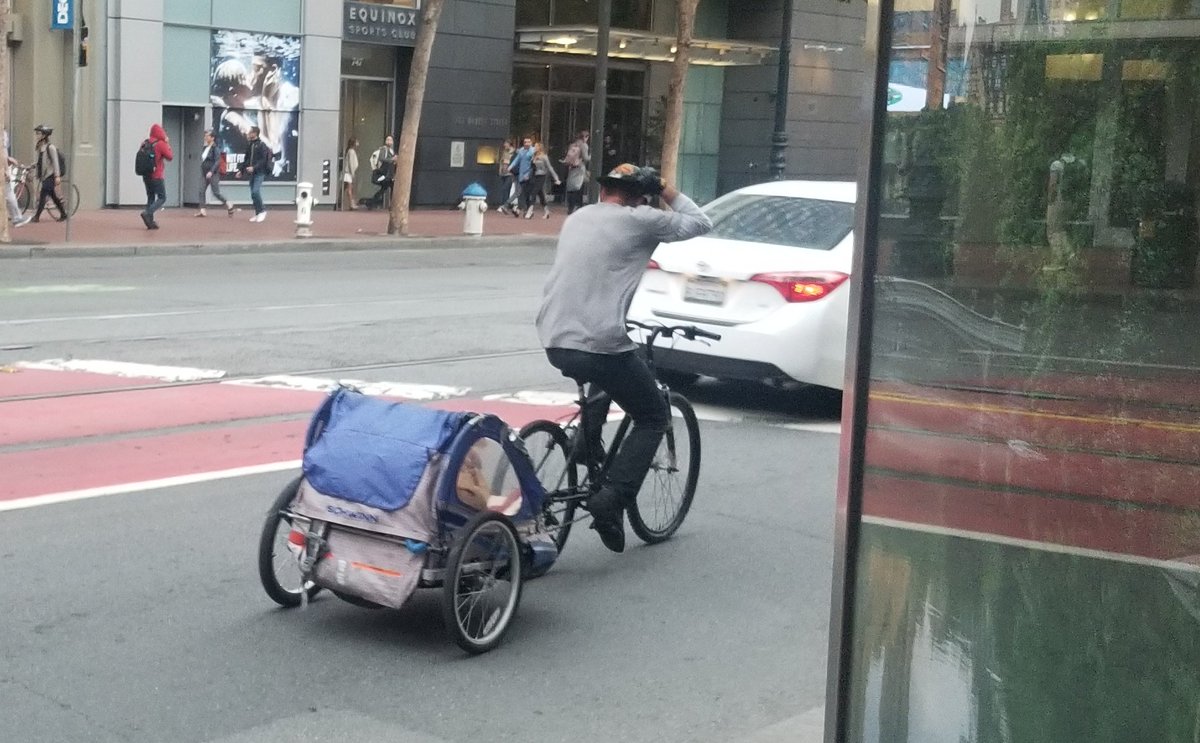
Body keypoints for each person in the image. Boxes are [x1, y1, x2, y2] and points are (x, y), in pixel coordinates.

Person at [535, 164, 713, 552]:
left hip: (554, 336)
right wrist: (664, 187)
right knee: (652, 416)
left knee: (608, 367)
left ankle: (585, 441)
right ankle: (611, 499)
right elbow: (700, 222)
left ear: (604, 191)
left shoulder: (579, 217)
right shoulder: (642, 220)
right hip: (599, 340)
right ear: (639, 197)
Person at [137, 124, 173, 229]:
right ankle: (148, 213)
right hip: (157, 175)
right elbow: (170, 157)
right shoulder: (161, 144)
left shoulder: (145, 143)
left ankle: (150, 222)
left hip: (146, 175)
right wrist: (167, 144)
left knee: (151, 197)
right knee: (162, 197)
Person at [31, 124, 67, 224]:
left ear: (44, 135)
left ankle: (36, 217)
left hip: (50, 175)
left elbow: (55, 162)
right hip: (45, 175)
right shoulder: (41, 147)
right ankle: (63, 214)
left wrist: (57, 176)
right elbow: (42, 162)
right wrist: (34, 166)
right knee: (53, 196)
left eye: (38, 133)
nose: (37, 135)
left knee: (43, 195)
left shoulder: (50, 147)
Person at [197, 129, 234, 218]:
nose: (205, 137)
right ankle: (202, 210)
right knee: (201, 191)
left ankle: (228, 203)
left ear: (212, 138)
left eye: (207, 136)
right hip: (204, 172)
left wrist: (211, 171)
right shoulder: (205, 148)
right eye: (205, 135)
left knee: (215, 192)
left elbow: (217, 161)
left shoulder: (215, 148)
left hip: (213, 173)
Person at [239, 125, 271, 223]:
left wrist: (254, 167)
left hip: (259, 172)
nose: (248, 134)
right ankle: (258, 213)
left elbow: (263, 160)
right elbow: (246, 159)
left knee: (255, 191)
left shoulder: (261, 145)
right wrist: (241, 170)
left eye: (250, 132)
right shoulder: (250, 145)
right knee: (253, 194)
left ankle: (262, 210)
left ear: (255, 134)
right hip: (251, 173)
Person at [4, 129, 31, 228]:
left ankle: (17, 217)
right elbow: (2, 152)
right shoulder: (2, 133)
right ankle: (16, 218)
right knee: (8, 193)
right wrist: (6, 169)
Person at [528, 142, 561, 220]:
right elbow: (531, 167)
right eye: (534, 146)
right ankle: (546, 211)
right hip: (535, 176)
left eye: (536, 146)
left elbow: (550, 167)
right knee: (541, 194)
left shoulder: (544, 156)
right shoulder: (533, 156)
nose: (534, 148)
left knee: (533, 192)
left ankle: (530, 210)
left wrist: (556, 178)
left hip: (542, 175)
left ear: (540, 148)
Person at [561, 129, 591, 215]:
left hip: (571, 167)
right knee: (578, 187)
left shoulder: (573, 144)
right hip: (579, 167)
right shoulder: (584, 145)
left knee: (571, 187)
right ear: (585, 137)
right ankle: (579, 205)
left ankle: (570, 207)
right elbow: (585, 158)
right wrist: (591, 156)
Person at [507, 136, 535, 219]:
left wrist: (529, 174)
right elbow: (517, 160)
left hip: (530, 176)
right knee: (522, 193)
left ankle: (526, 210)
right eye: (525, 142)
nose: (526, 144)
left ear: (531, 143)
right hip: (522, 176)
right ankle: (522, 210)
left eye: (528, 142)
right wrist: (510, 167)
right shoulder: (521, 151)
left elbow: (533, 165)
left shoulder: (533, 151)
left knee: (527, 194)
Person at [368, 135, 396, 209]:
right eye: (387, 140)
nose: (389, 141)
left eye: (390, 140)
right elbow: (381, 158)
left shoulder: (391, 150)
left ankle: (371, 202)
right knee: (391, 187)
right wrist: (392, 159)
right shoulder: (384, 149)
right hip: (385, 173)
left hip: (388, 173)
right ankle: (392, 205)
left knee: (384, 189)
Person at [496, 139, 516, 214]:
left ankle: (504, 205)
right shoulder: (504, 152)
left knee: (505, 189)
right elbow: (502, 162)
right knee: (505, 190)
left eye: (506, 143)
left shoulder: (513, 152)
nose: (504, 145)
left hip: (510, 173)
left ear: (509, 144)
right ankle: (504, 205)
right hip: (503, 173)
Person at [341, 137, 359, 210]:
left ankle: (339, 201)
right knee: (349, 188)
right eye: (357, 142)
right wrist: (352, 173)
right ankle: (352, 204)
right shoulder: (351, 151)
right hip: (348, 173)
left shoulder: (350, 151)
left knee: (345, 188)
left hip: (347, 172)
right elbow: (351, 163)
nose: (358, 143)